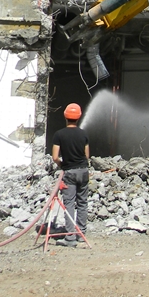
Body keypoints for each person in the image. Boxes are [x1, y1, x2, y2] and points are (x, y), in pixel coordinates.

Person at [51, 103, 89, 246]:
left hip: (70, 173)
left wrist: (63, 165)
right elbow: (87, 156)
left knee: (69, 203)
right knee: (82, 202)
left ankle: (70, 237)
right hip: (84, 172)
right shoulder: (84, 134)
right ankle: (81, 233)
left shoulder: (59, 135)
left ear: (65, 116)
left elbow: (55, 157)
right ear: (79, 117)